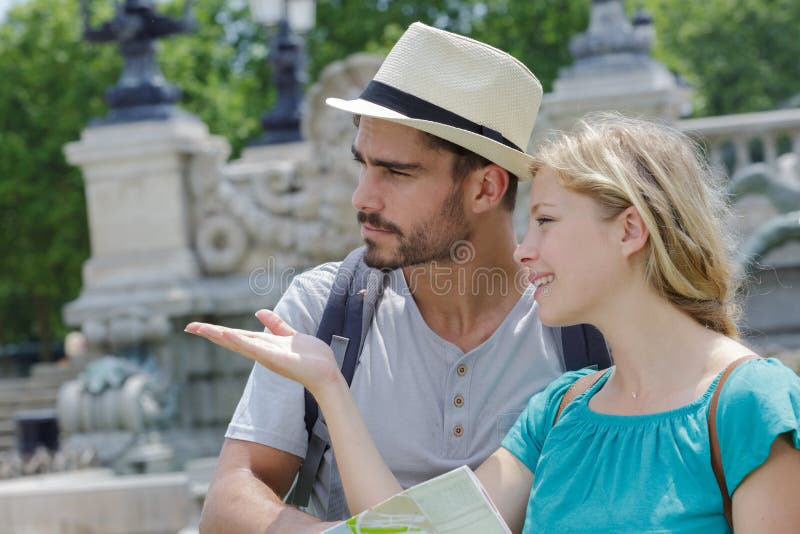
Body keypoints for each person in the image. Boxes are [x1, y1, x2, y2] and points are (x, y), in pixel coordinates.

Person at [187, 114, 800, 532]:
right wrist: (330, 388)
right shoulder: (557, 412)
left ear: (630, 231)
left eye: (548, 222)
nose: (525, 249)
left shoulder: (753, 408)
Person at [194, 22, 600, 533]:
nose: (362, 197)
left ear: (486, 188)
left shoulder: (583, 322)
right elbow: (230, 501)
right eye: (363, 165)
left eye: (396, 172)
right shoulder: (324, 308)